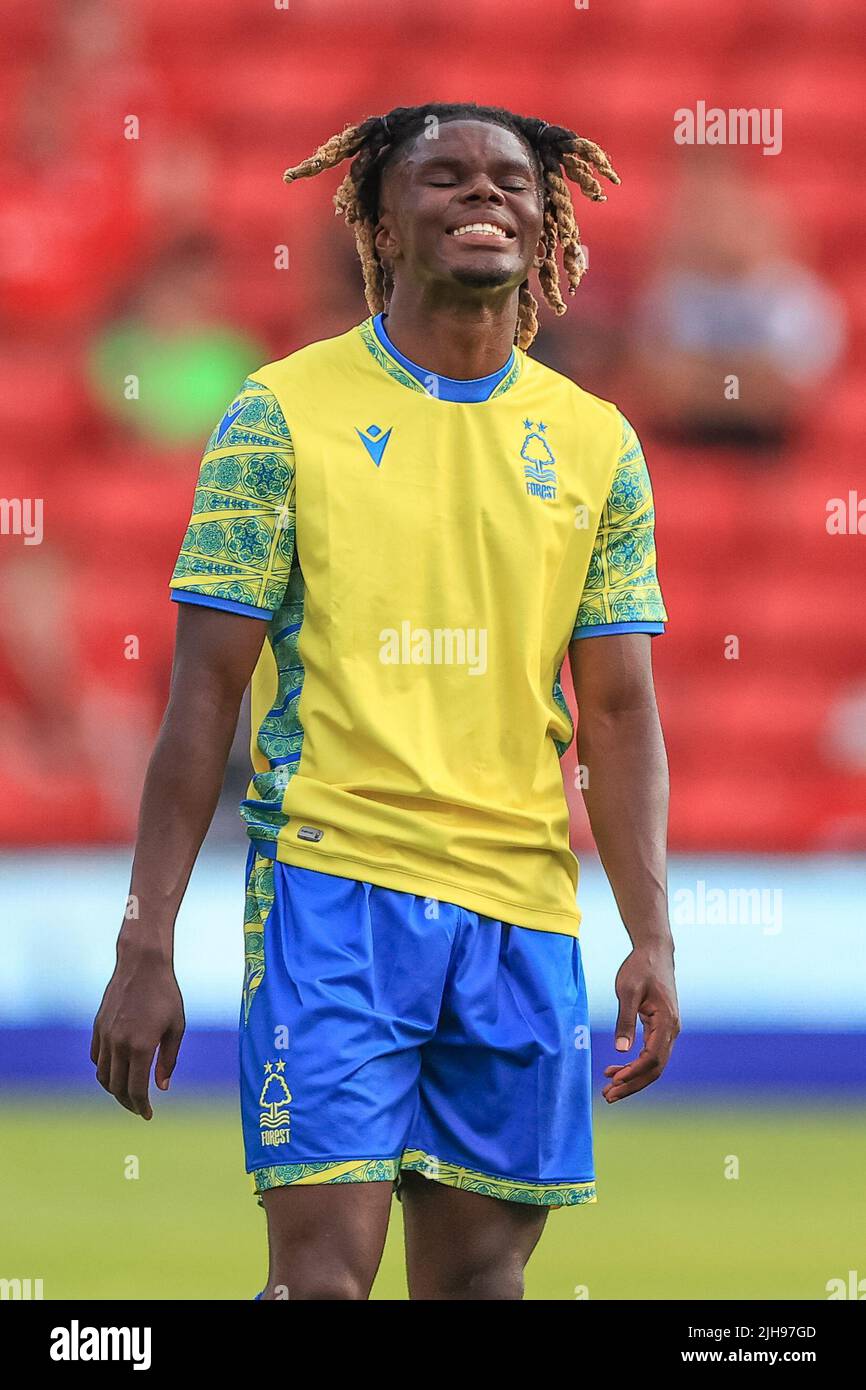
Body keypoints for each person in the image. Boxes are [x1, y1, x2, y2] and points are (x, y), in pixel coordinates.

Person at [92, 102, 680, 1302]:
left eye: (510, 181)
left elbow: (617, 713)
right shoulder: (278, 418)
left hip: (519, 905)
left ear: (544, 216)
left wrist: (649, 928)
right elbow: (201, 696)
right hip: (333, 890)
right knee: (319, 1284)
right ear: (377, 217)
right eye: (444, 177)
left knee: (477, 1285)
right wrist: (145, 936)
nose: (484, 198)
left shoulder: (596, 445)